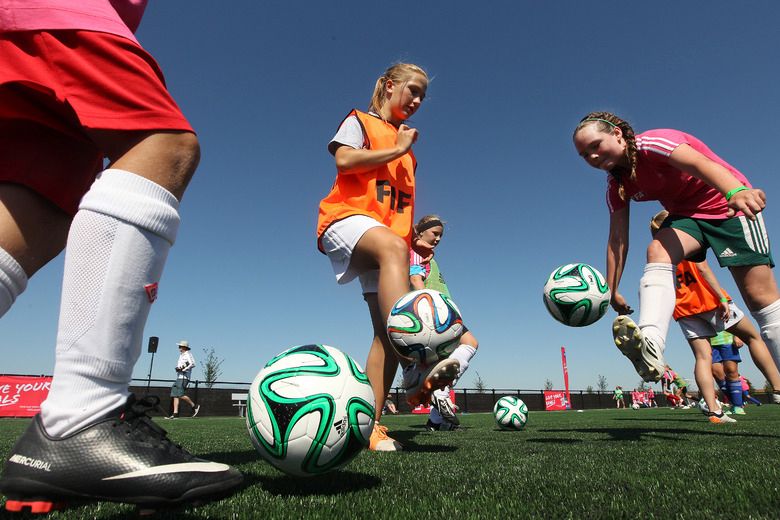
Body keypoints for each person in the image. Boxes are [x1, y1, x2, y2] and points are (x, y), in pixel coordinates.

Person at [0, 1, 242, 513]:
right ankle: (80, 419)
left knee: (36, 211)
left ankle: (56, 457)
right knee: (161, 145)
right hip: (60, 11)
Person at [573, 112, 780, 412]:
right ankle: (651, 344)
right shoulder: (615, 185)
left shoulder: (652, 144)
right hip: (688, 216)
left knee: (761, 301)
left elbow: (701, 163)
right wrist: (611, 288)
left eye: (595, 145)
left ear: (617, 134)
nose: (591, 156)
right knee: (657, 250)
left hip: (727, 206)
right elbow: (617, 239)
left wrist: (735, 191)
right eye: (584, 155)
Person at [317, 63, 458, 452]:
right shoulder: (359, 121)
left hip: (387, 244)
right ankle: (417, 359)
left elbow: (401, 212)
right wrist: (396, 148)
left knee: (384, 336)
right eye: (412, 90)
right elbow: (344, 161)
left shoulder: (409, 155)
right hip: (345, 220)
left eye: (422, 97)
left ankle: (370, 427)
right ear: (390, 85)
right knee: (402, 335)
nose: (416, 100)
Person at [650, 209, 780, 414]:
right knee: (753, 337)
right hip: (707, 301)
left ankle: (713, 410)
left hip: (683, 309)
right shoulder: (686, 243)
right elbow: (703, 270)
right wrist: (721, 297)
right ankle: (777, 388)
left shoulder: (659, 255)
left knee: (703, 358)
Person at [408, 215, 479, 431]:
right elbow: (414, 279)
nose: (438, 238)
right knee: (470, 343)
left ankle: (436, 421)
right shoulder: (417, 252)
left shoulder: (429, 255)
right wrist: (426, 310)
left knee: (465, 348)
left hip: (445, 313)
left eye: (441, 235)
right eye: (434, 233)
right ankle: (440, 390)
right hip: (434, 315)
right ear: (420, 232)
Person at [709, 332, 746, 415]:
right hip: (708, 341)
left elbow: (736, 319)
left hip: (728, 340)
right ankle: (737, 401)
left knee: (731, 371)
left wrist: (738, 335)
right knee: (716, 372)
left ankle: (737, 406)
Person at [167, 340, 200, 419]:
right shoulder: (181, 355)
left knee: (180, 394)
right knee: (175, 394)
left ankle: (194, 406)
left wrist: (184, 369)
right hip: (179, 377)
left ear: (184, 347)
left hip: (184, 377)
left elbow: (193, 363)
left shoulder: (188, 354)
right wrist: (179, 368)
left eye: (180, 346)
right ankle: (175, 413)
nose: (179, 348)